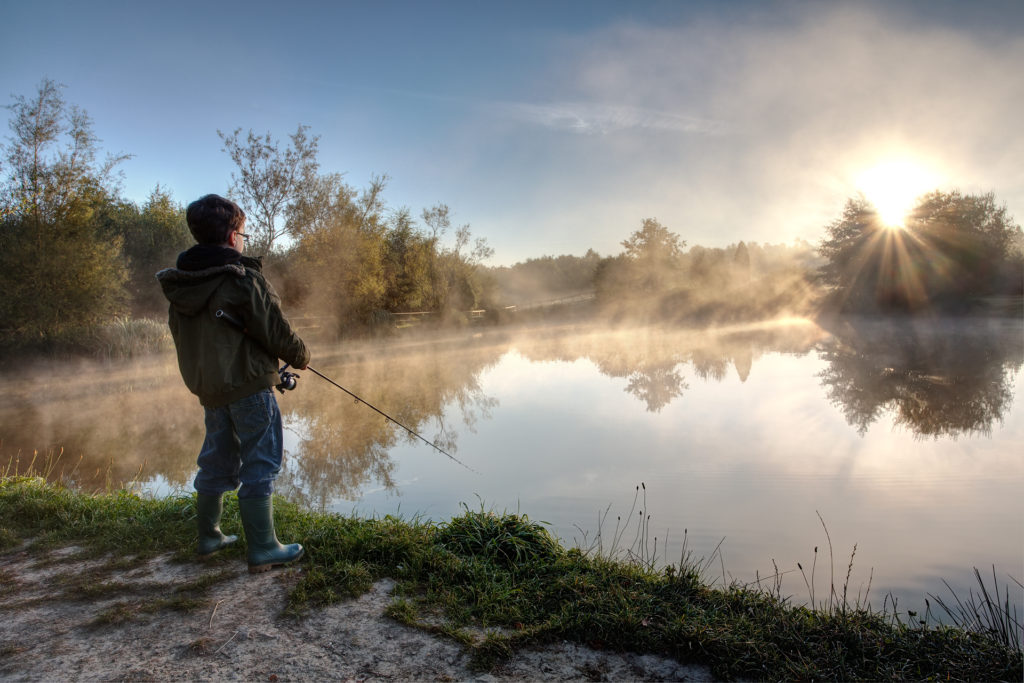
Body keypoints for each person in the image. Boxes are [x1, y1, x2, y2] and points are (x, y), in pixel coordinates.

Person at [156, 194, 310, 573]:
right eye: (242, 232)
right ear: (231, 235)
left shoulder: (182, 286)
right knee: (261, 462)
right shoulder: (242, 279)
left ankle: (209, 537)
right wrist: (302, 356)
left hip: (211, 390)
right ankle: (263, 548)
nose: (242, 239)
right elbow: (275, 330)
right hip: (248, 386)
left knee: (216, 460)